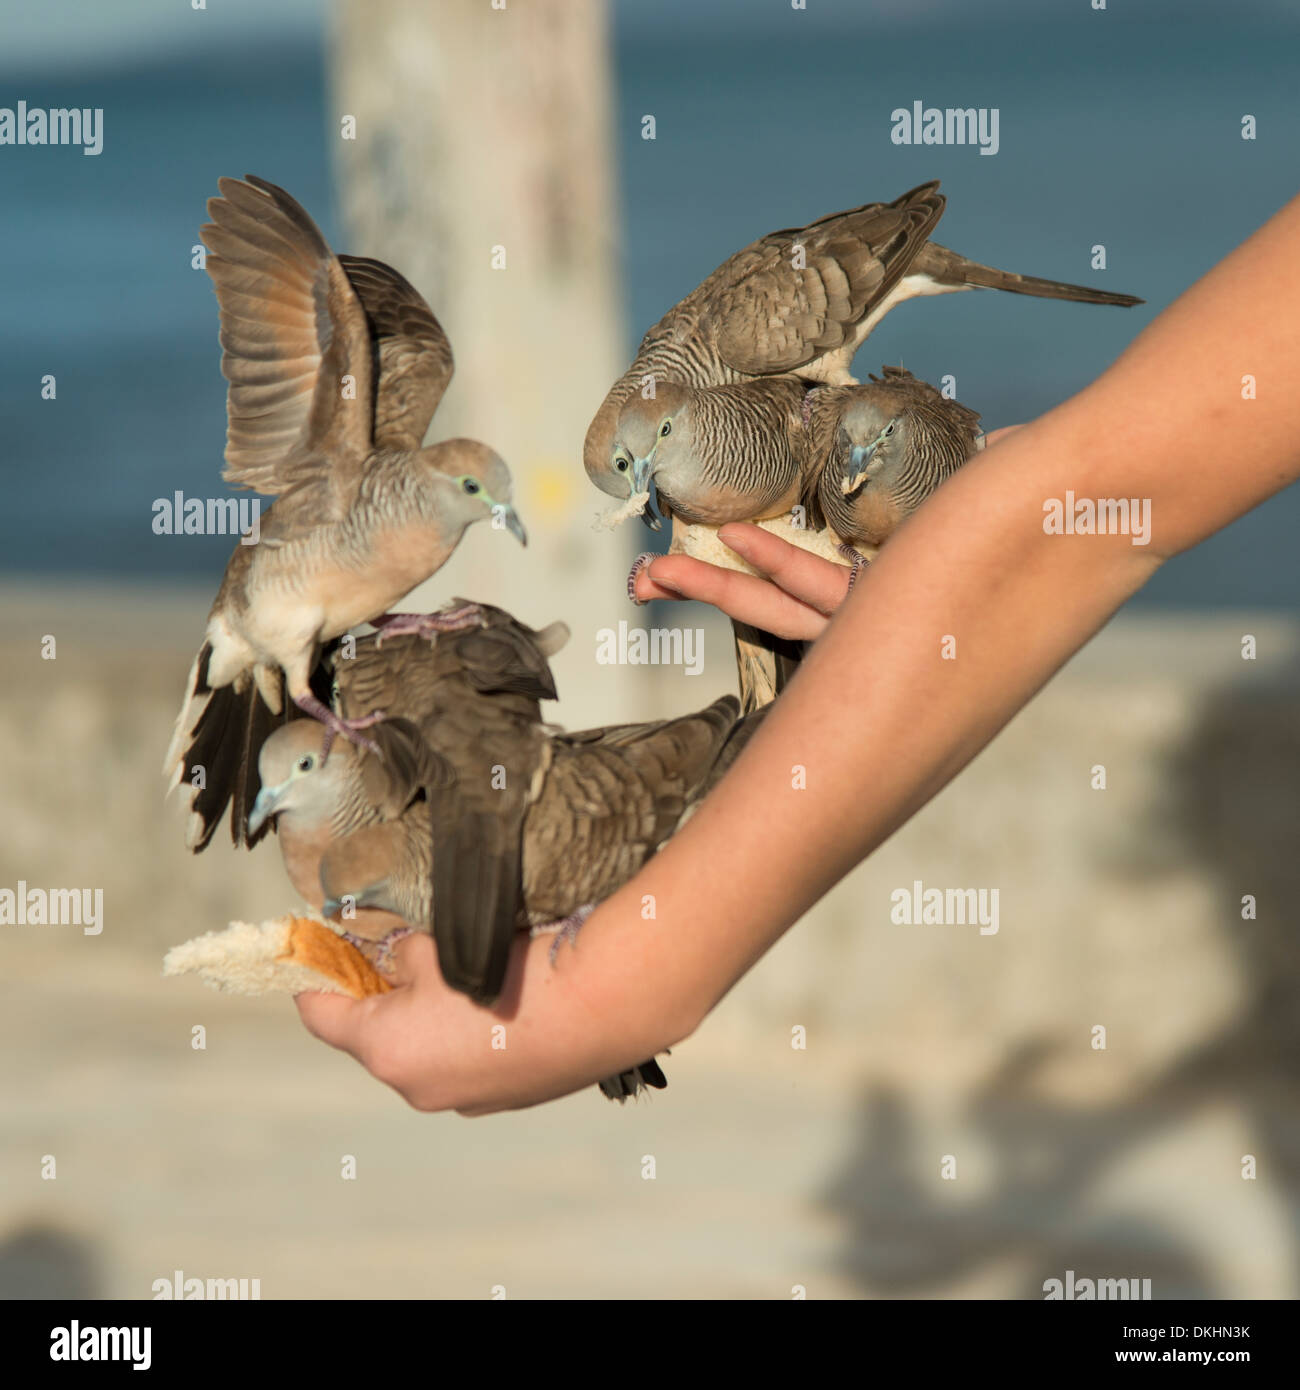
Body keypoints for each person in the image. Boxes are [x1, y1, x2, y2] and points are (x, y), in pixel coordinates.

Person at [296, 193, 1300, 1114]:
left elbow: (1078, 514)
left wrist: (611, 981)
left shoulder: (747, 351)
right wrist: (930, 571)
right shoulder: (700, 415)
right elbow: (1095, 505)